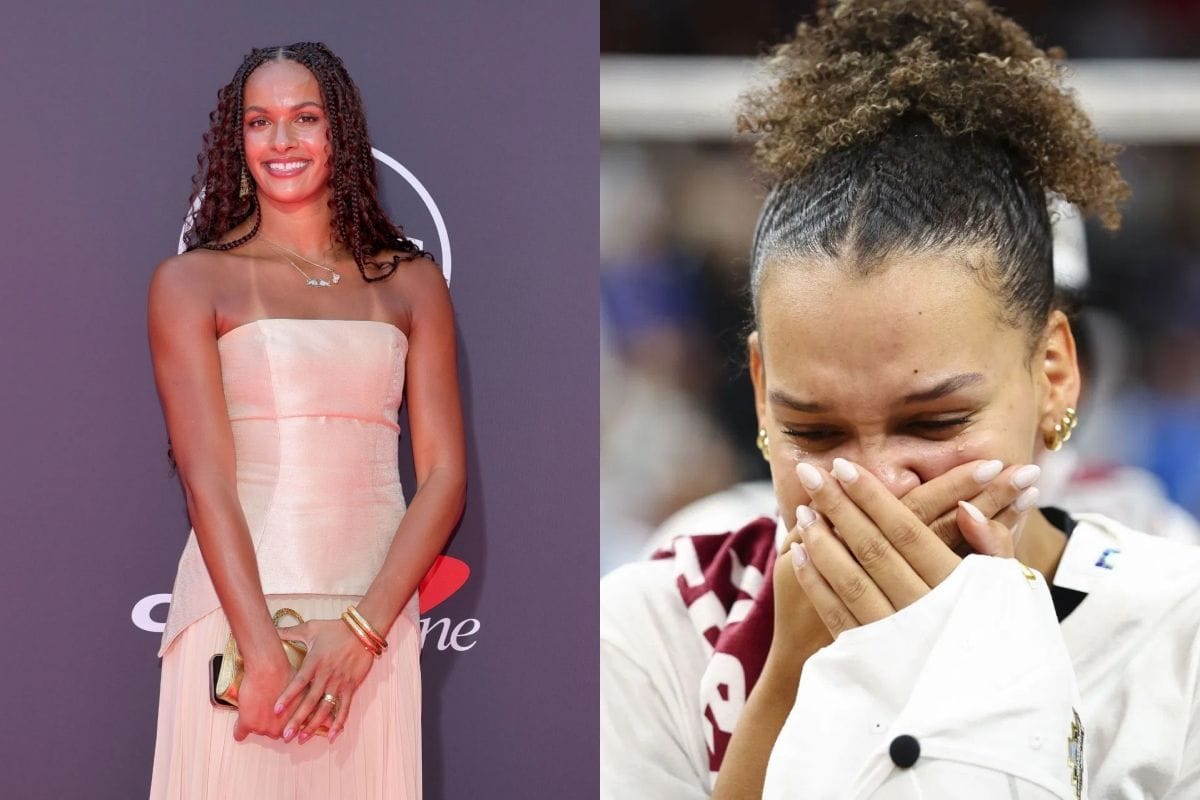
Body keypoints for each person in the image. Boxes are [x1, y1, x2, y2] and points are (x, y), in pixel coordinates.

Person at [599, 1, 1200, 797]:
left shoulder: (1176, 638)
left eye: (936, 421)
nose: (877, 483)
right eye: (814, 431)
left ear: (1053, 371)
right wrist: (789, 677)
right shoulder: (655, 631)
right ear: (757, 394)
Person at [147, 42, 465, 798]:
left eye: (304, 118)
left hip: (372, 625)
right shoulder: (192, 282)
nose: (282, 142)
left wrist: (363, 632)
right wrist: (260, 653)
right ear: (238, 140)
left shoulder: (411, 282)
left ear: (340, 133)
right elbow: (207, 479)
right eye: (260, 122)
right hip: (237, 620)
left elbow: (445, 476)